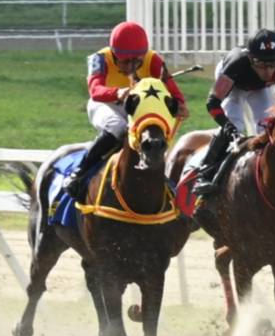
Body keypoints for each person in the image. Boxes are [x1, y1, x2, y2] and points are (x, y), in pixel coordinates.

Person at [63, 21, 188, 201]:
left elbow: (173, 91)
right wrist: (118, 92)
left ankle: (161, 176)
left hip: (135, 105)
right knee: (118, 127)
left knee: (154, 131)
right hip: (105, 103)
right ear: (114, 54)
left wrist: (180, 105)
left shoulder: (153, 59)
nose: (131, 67)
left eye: (137, 61)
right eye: (125, 61)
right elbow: (95, 90)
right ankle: (80, 172)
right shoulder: (99, 59)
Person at [191, 29, 275, 198]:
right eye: (262, 65)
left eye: (273, 65)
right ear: (250, 59)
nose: (268, 72)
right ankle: (204, 173)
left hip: (259, 89)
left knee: (267, 127)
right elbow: (212, 102)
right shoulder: (237, 64)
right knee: (235, 125)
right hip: (234, 83)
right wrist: (227, 126)